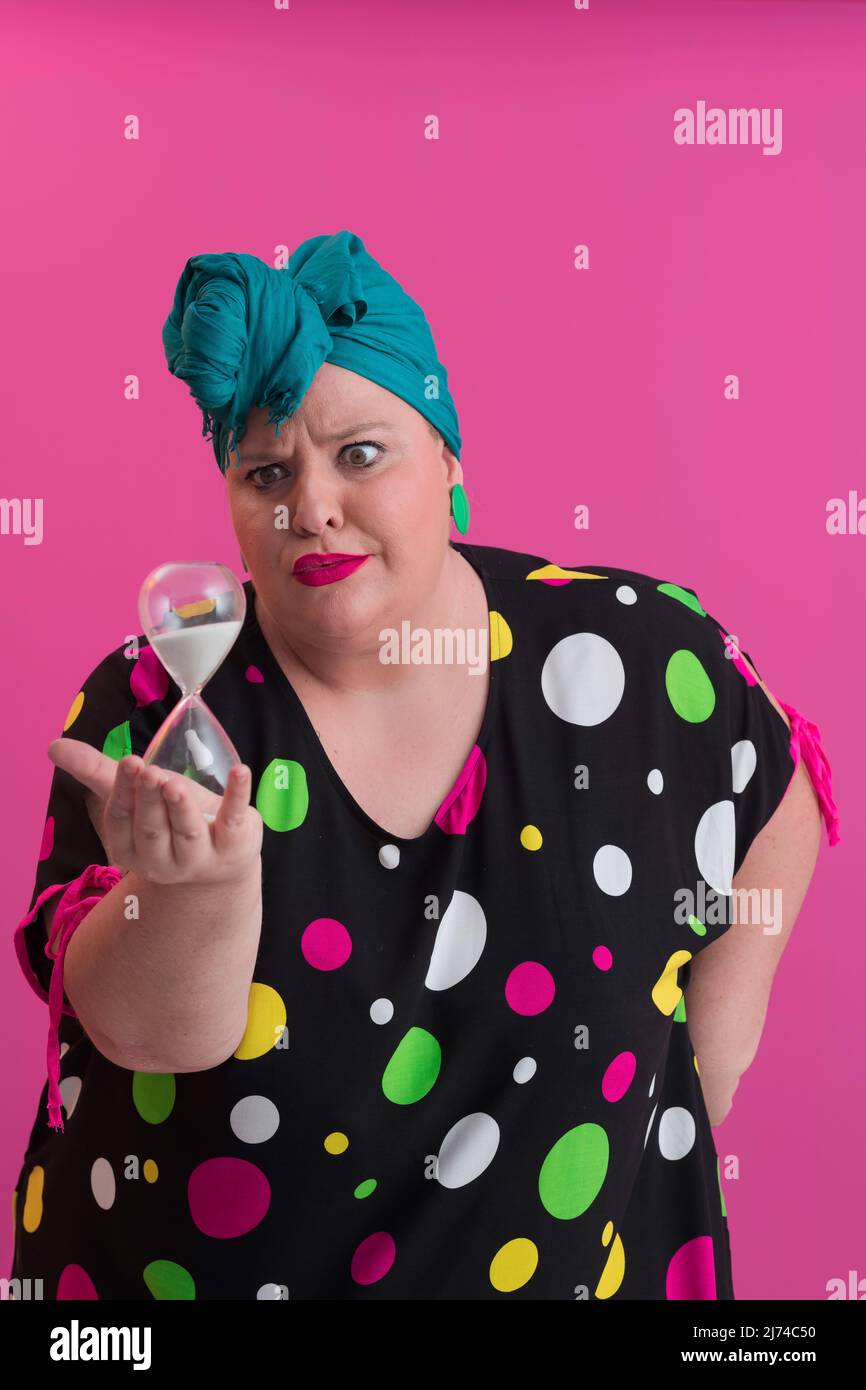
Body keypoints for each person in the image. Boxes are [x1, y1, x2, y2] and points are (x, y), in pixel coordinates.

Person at [9, 231, 841, 1301]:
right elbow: (143, 1029)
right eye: (266, 470)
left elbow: (771, 772)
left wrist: (704, 1049)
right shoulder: (158, 707)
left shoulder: (631, 656)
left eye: (359, 454)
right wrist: (194, 892)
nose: (308, 506)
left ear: (448, 457)